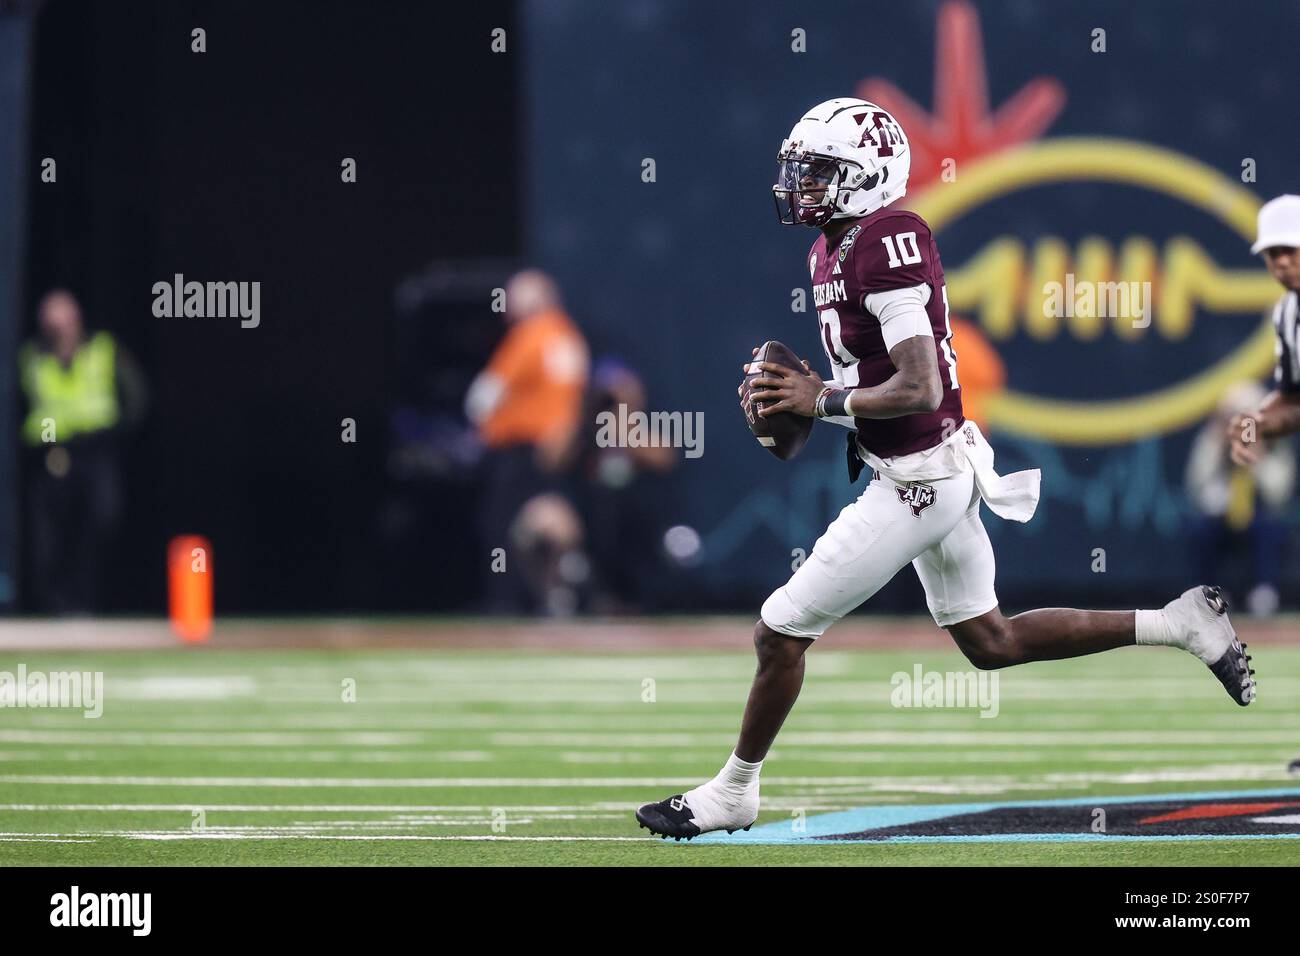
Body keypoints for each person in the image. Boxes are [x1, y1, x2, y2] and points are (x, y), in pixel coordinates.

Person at [636, 98, 1255, 841]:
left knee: (780, 631)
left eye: (821, 171)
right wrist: (806, 411)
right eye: (801, 170)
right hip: (921, 464)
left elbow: (919, 384)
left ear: (866, 178)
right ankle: (1180, 623)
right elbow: (871, 383)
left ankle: (734, 791)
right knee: (991, 642)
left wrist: (820, 399)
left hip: (920, 478)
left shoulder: (886, 238)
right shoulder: (831, 247)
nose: (801, 185)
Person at [464, 269, 589, 612]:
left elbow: (481, 397)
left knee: (503, 525)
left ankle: (507, 601)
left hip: (521, 449)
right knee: (549, 522)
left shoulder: (532, 334)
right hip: (554, 446)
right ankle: (564, 590)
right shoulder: (566, 335)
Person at [18, 289, 147, 612]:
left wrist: (114, 435)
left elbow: (135, 399)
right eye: (51, 327)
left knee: (101, 521)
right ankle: (56, 605)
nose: (58, 333)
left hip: (97, 449)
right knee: (50, 534)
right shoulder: (33, 357)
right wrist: (51, 444)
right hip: (54, 453)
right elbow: (36, 408)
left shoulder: (102, 350)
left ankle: (89, 598)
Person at [1185, 383, 1292, 617]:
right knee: (1201, 530)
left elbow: (1280, 493)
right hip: (1220, 514)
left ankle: (1264, 593)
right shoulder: (1212, 439)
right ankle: (1209, 595)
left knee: (1269, 529)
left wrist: (1257, 458)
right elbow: (1196, 485)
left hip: (1258, 514)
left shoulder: (1274, 444)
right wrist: (1217, 444)